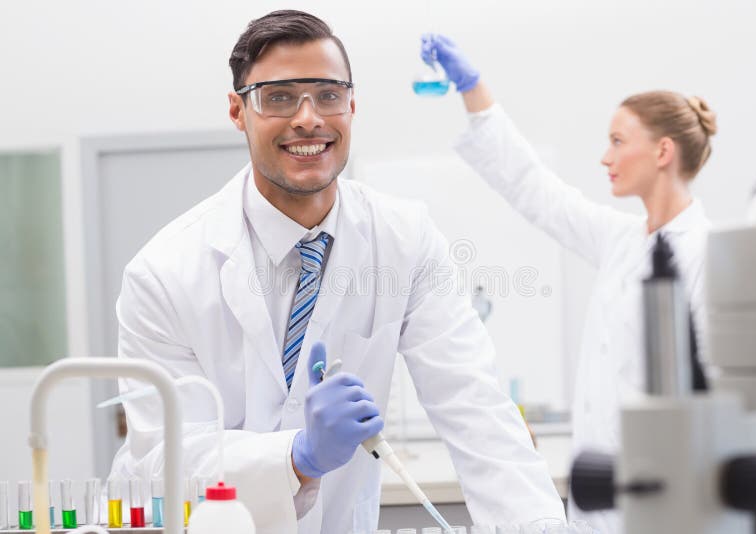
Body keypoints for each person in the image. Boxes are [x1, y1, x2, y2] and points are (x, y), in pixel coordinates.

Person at [108, 11, 566, 534]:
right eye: (278, 96)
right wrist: (297, 457)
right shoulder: (164, 271)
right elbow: (165, 458)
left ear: (352, 104)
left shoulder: (404, 239)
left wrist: (541, 525)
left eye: (328, 94)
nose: (308, 118)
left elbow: (476, 408)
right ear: (238, 111)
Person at [421, 34, 717, 533]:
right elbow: (536, 190)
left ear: (663, 151)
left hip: (667, 508)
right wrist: (474, 90)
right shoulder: (621, 239)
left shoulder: (706, 253)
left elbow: (710, 399)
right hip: (600, 503)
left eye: (619, 142)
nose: (606, 157)